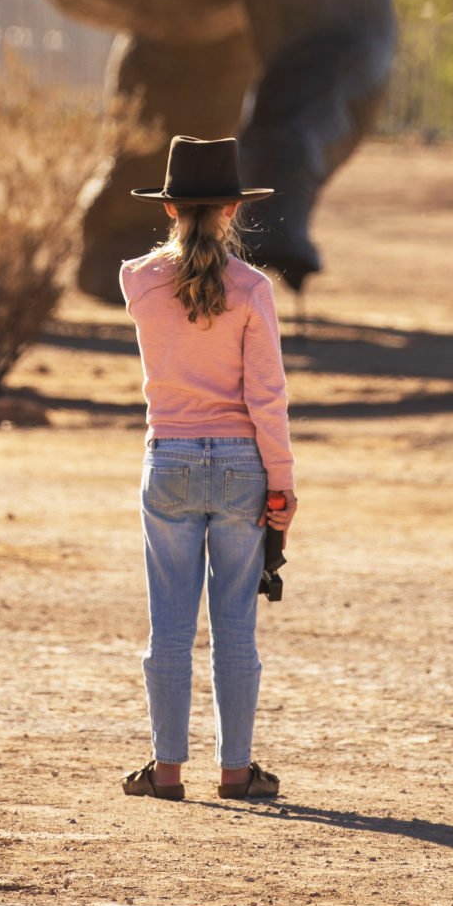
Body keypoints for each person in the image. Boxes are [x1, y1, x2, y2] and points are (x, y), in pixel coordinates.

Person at [118, 134, 297, 803]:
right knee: (234, 624)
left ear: (168, 207)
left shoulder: (136, 281)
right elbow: (266, 397)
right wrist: (281, 482)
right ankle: (235, 770)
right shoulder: (253, 290)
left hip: (167, 458)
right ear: (231, 209)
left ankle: (166, 771)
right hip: (240, 465)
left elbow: (172, 282)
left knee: (169, 622)